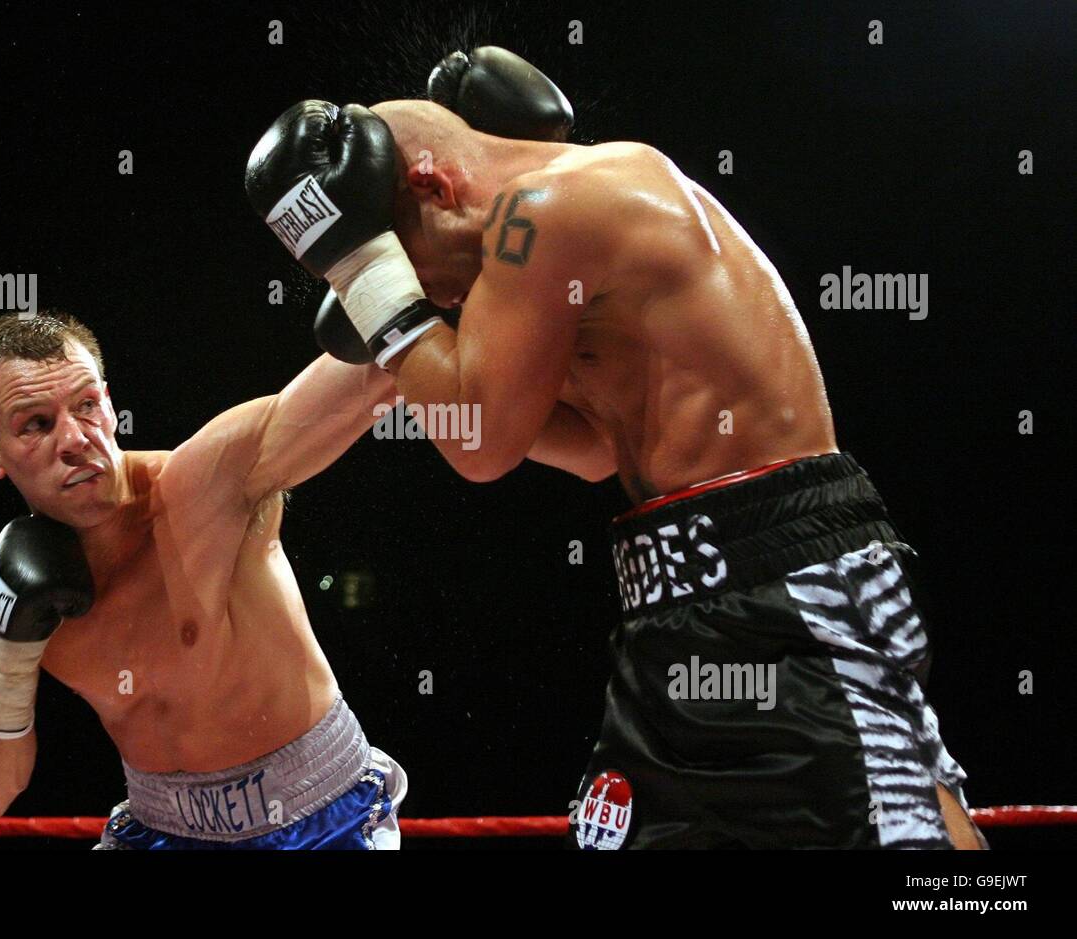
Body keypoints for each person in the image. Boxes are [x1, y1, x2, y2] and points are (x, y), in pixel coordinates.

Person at [244, 47, 985, 849]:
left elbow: (479, 445)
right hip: (678, 593)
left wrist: (376, 290)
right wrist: (418, 356)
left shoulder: (547, 206)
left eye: (407, 260)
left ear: (434, 185)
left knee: (895, 832)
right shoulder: (556, 251)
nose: (437, 297)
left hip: (786, 577)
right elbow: (594, 449)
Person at [0, 311, 407, 849]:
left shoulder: (205, 489)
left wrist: (395, 284)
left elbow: (376, 370)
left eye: (87, 405)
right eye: (37, 424)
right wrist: (5, 659)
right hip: (158, 828)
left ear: (109, 404)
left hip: (318, 818)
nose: (74, 438)